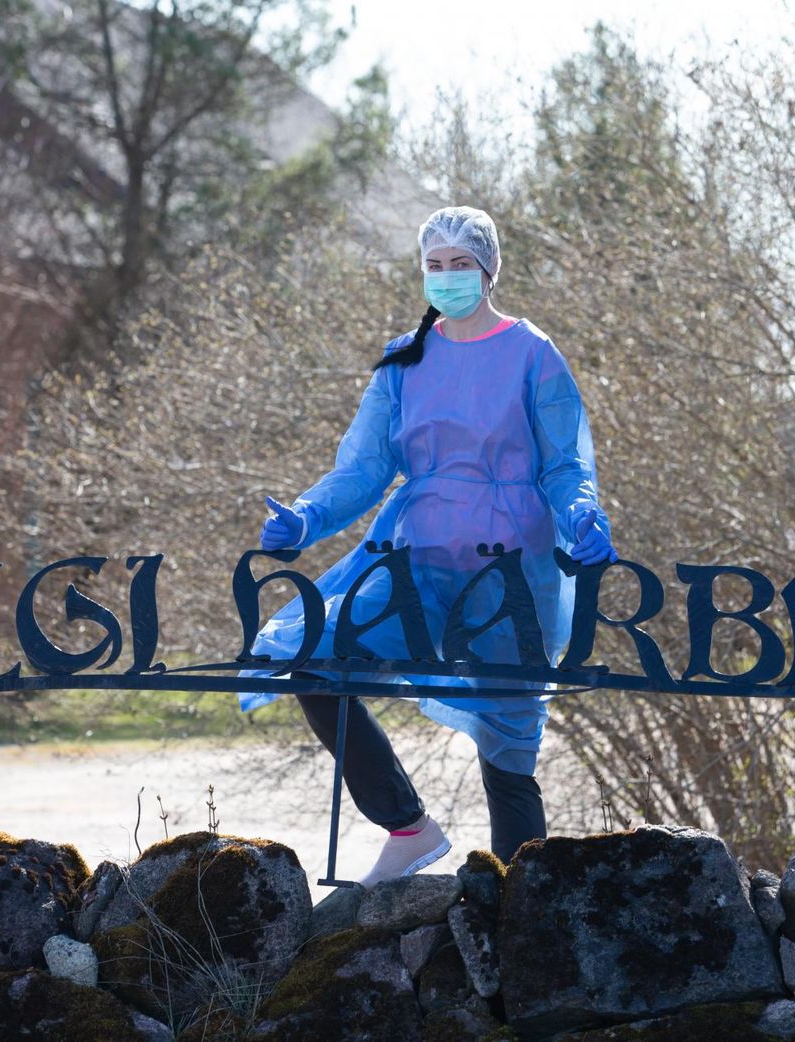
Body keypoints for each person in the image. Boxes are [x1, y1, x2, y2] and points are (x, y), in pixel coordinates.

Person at [238, 205, 617, 885]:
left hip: (510, 570)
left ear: (489, 270)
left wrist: (583, 515)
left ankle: (520, 899)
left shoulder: (533, 354)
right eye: (434, 265)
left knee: (507, 745)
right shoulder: (405, 358)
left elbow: (564, 465)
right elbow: (363, 468)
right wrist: (306, 517)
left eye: (460, 263)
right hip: (417, 559)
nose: (446, 276)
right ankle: (408, 827)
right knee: (311, 658)